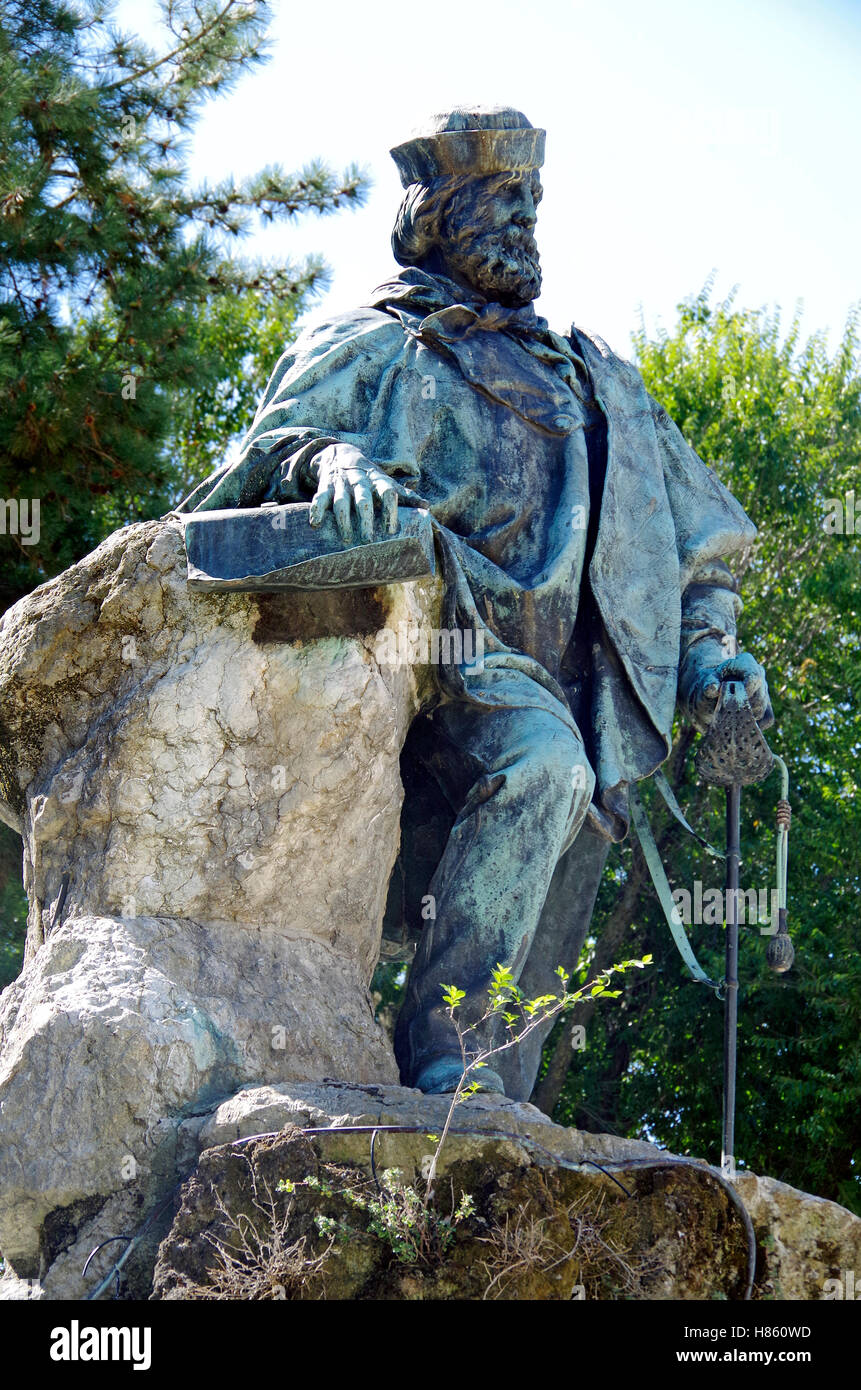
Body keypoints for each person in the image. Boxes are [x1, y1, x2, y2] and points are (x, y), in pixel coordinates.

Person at [181, 106, 772, 1100]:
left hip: (548, 682)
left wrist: (712, 653)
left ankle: (456, 1076)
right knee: (542, 764)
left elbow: (692, 549)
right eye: (504, 197)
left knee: (547, 795)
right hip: (418, 632)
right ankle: (420, 1038)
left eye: (534, 198)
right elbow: (257, 466)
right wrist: (333, 463)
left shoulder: (594, 381)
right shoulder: (370, 341)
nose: (528, 219)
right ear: (437, 214)